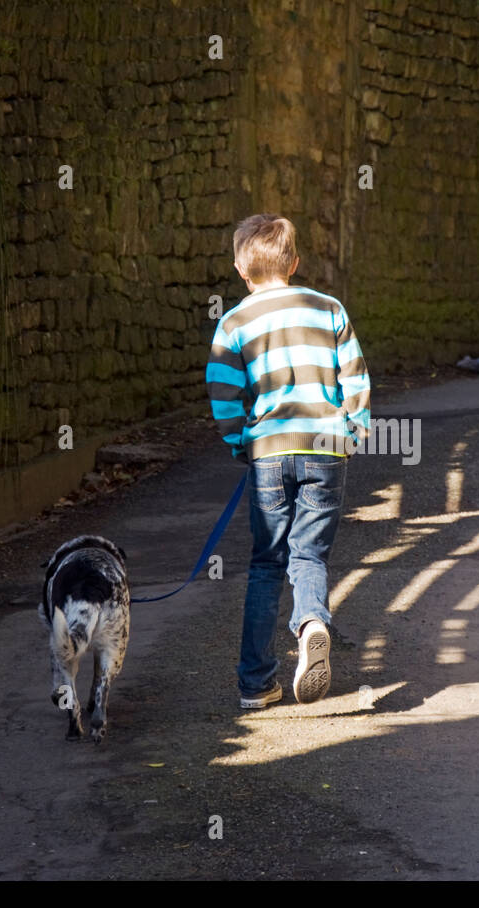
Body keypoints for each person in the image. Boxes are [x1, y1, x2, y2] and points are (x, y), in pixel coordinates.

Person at [206, 214, 371, 709]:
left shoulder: (234, 323)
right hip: (326, 447)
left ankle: (256, 684)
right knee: (309, 555)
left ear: (241, 269)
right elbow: (355, 377)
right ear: (294, 263)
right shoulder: (329, 309)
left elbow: (224, 393)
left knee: (266, 563)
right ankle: (312, 622)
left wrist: (240, 442)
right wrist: (354, 433)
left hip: (269, 454)